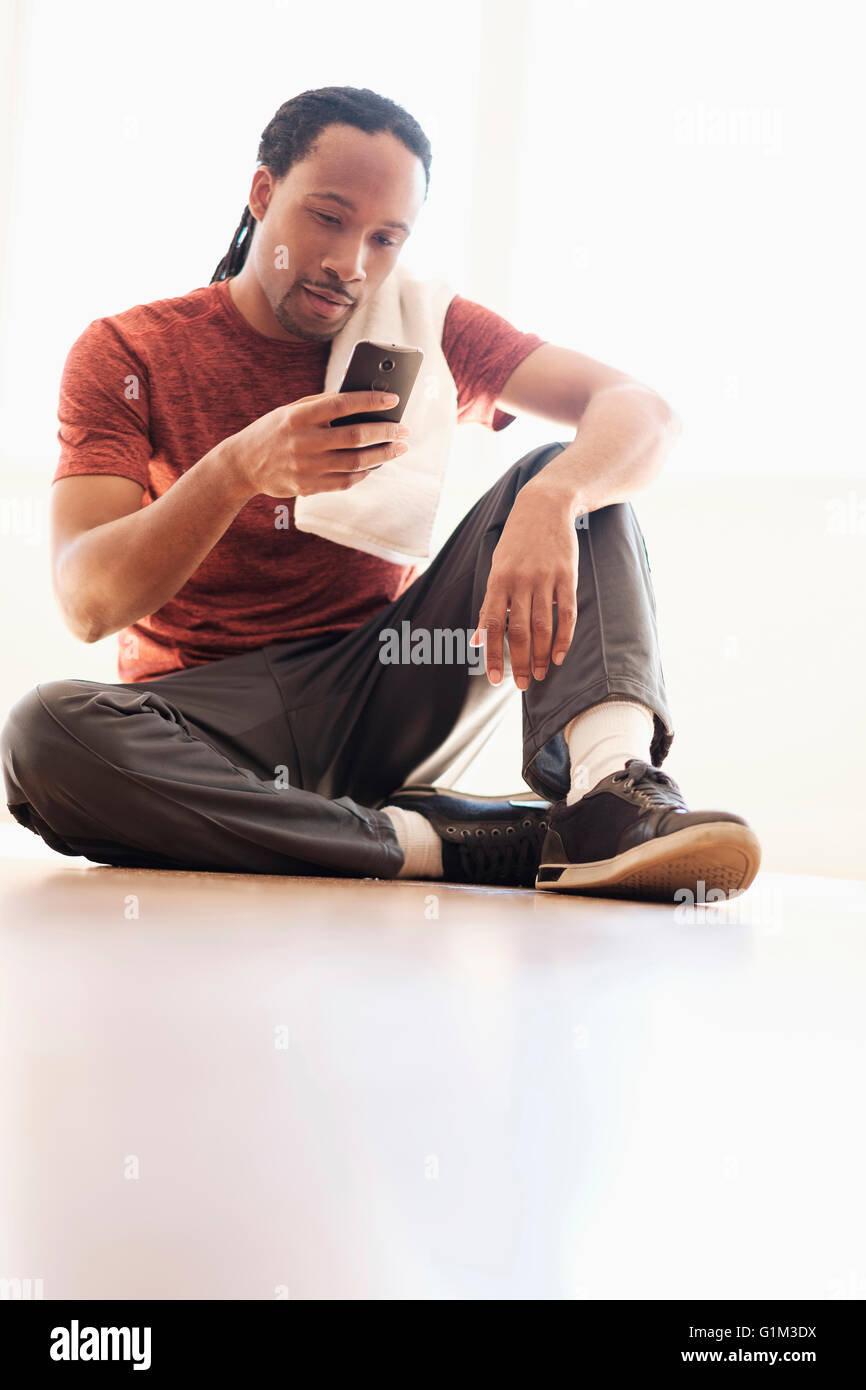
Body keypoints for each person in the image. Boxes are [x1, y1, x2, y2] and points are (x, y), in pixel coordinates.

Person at [1, 86, 761, 901]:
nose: (349, 264)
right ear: (263, 195)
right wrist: (237, 469)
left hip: (386, 681)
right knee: (42, 734)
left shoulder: (421, 327)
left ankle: (610, 800)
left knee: (576, 478)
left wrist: (556, 498)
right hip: (210, 722)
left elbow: (643, 412)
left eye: (385, 237)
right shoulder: (131, 350)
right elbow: (87, 601)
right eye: (326, 218)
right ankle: (433, 842)